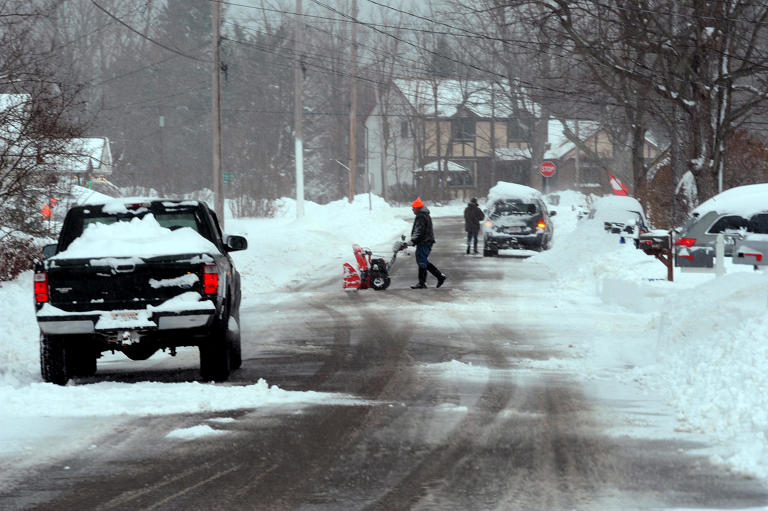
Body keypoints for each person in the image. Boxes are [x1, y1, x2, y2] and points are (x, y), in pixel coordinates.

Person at [408, 197, 446, 289]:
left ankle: (430, 280)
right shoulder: (425, 215)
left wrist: (413, 241)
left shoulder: (421, 216)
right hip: (425, 242)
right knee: (422, 261)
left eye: (413, 208)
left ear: (417, 208)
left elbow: (419, 231)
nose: (412, 210)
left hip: (424, 242)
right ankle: (431, 279)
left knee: (422, 261)